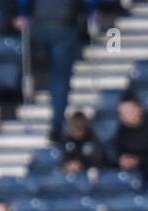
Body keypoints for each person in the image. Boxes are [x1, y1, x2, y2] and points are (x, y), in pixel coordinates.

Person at [17, 0, 86, 144]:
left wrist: (23, 13)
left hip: (40, 24)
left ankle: (54, 118)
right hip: (63, 25)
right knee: (60, 78)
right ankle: (57, 125)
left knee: (56, 76)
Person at [112, 95, 148, 178]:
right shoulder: (122, 129)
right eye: (122, 113)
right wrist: (121, 160)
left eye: (128, 112)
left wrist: (139, 161)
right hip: (130, 173)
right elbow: (115, 149)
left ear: (139, 110)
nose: (124, 116)